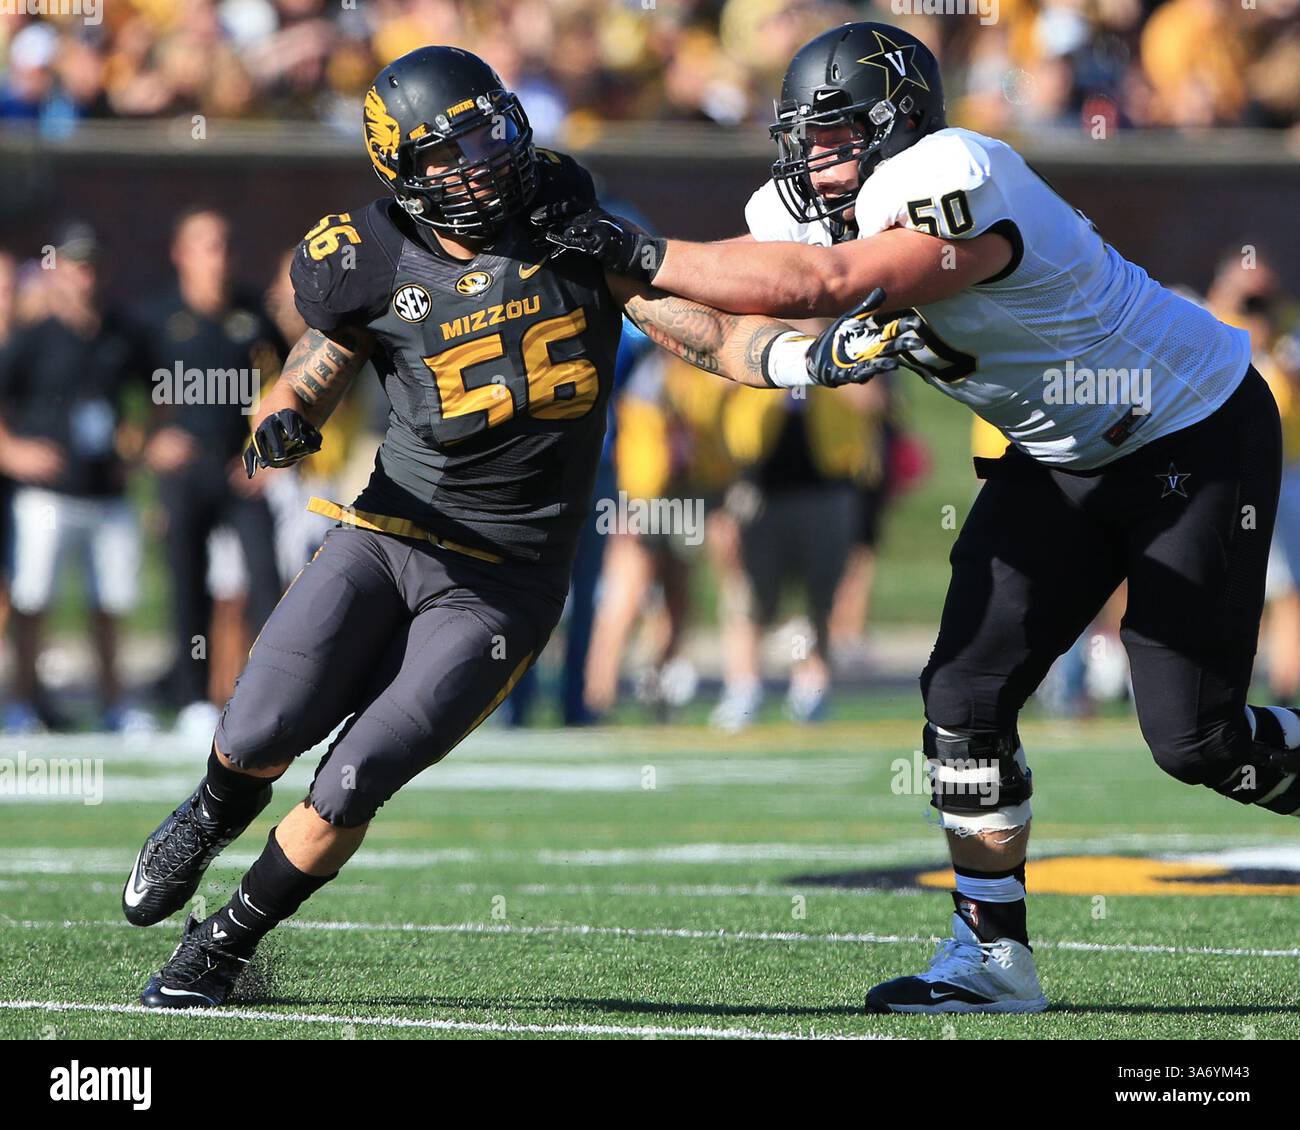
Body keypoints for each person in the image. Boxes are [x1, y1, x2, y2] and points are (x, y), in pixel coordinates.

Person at [542, 21, 1299, 1014]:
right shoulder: (812, 207)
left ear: (898, 123)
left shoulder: (958, 170)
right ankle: (990, 957)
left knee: (1196, 740)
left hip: (1186, 429)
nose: (811, 160)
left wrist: (634, 243)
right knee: (962, 691)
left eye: (835, 134)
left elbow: (826, 283)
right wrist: (608, 270)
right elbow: (730, 328)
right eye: (801, 138)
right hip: (1056, 450)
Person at [121, 45, 815, 1008]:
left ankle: (225, 945)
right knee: (257, 729)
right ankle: (208, 812)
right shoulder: (366, 258)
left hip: (509, 575)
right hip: (388, 533)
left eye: (492, 127)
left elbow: (706, 331)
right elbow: (315, 362)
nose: (486, 156)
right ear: (405, 173)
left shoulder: (571, 224)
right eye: (454, 149)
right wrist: (286, 413)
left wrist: (805, 359)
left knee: (356, 778)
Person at [133, 207, 286, 732]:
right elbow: (114, 390)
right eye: (206, 245)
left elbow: (296, 381)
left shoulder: (252, 316)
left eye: (224, 244)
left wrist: (271, 454)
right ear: (181, 254)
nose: (218, 256)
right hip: (184, 473)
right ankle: (192, 699)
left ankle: (274, 695)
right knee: (187, 584)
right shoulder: (154, 320)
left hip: (242, 470)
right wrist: (147, 442)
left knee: (269, 581)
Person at [0, 223, 151, 733]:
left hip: (106, 491)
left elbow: (158, 391)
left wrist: (139, 443)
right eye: (74, 264)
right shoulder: (33, 337)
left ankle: (115, 704)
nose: (83, 276)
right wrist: (12, 450)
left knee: (111, 601)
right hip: (46, 493)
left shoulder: (121, 332)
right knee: (32, 600)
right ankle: (22, 702)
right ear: (56, 268)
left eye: (91, 265)